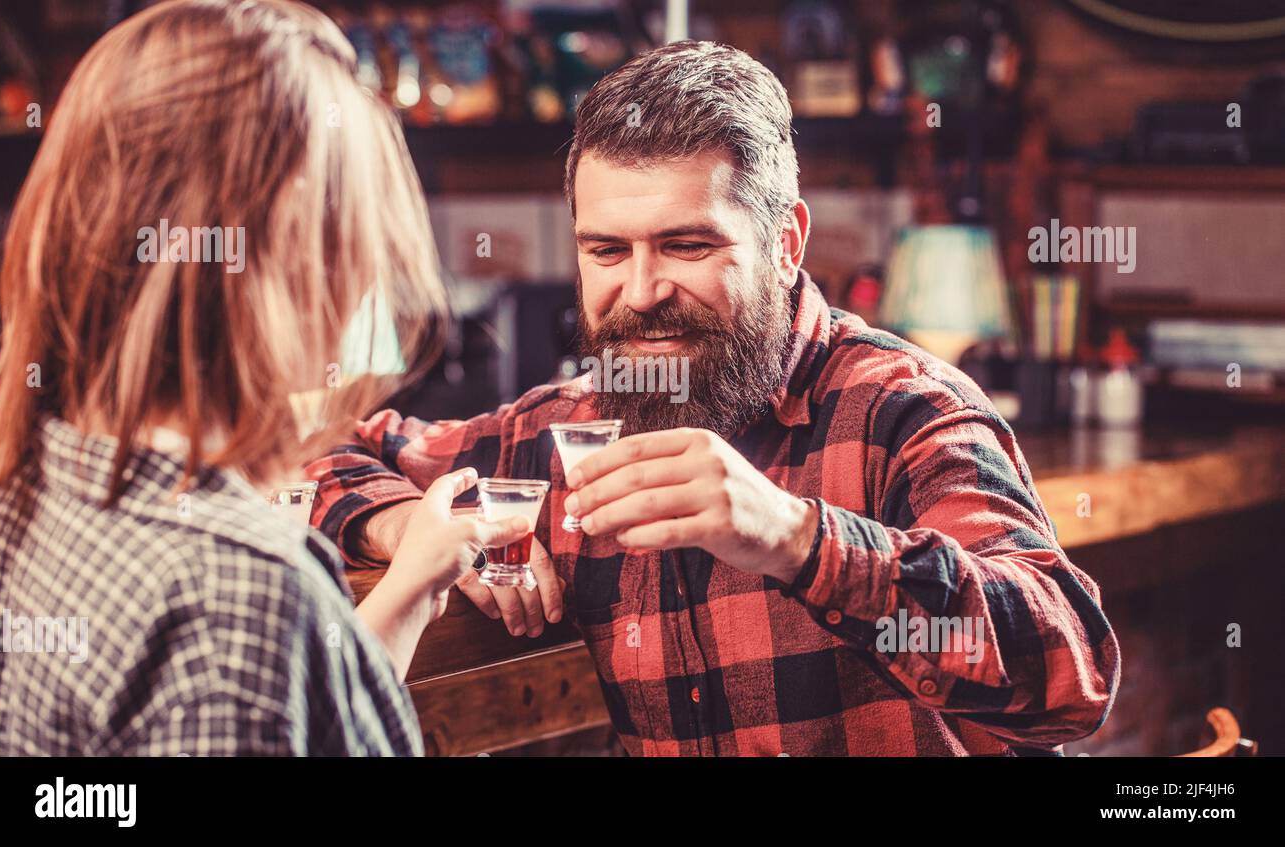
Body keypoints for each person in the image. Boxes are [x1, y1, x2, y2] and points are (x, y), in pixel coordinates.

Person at [308, 41, 1121, 756]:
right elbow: (328, 449)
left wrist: (796, 540)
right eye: (606, 250)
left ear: (785, 243)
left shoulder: (902, 410)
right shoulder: (570, 432)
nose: (642, 290)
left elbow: (1071, 674)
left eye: (687, 245)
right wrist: (414, 524)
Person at [0, 0, 526, 756]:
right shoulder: (241, 594)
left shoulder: (27, 483)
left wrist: (406, 591)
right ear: (290, 265)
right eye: (350, 239)